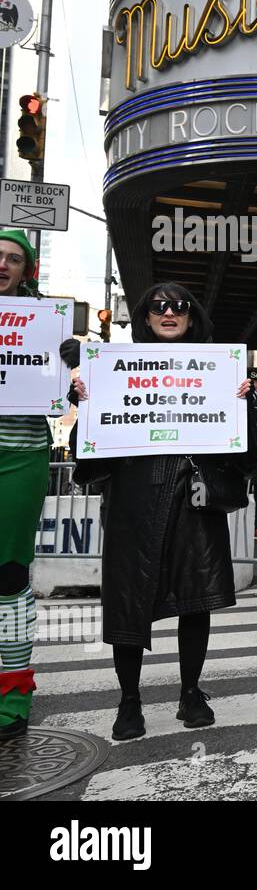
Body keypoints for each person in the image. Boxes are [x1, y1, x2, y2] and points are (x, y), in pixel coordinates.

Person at [69, 283, 257, 739]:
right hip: (134, 501)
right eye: (159, 307)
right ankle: (129, 699)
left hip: (193, 500)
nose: (170, 312)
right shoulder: (113, 372)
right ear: (146, 317)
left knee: (197, 599)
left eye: (180, 306)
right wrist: (87, 405)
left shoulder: (219, 373)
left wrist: (245, 406)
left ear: (192, 317)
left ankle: (191, 691)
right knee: (127, 601)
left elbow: (246, 453)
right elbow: (88, 457)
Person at [0, 230, 46, 739]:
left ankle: (12, 696)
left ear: (25, 270)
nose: (3, 264)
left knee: (8, 579)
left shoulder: (44, 323)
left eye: (14, 259)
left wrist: (71, 360)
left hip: (18, 459)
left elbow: (71, 382)